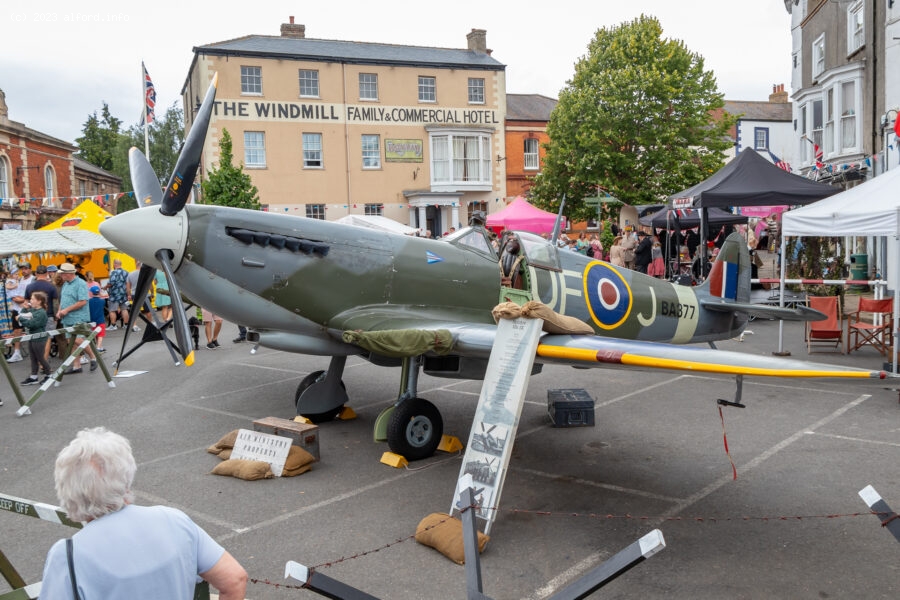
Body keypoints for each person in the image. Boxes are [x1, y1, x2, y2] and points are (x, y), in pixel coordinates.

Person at [40, 427, 248, 599]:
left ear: (67, 490)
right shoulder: (173, 520)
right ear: (126, 475)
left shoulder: (68, 555)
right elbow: (235, 579)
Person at [56, 262, 97, 374]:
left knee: (78, 340)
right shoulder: (66, 284)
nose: (61, 276)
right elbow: (63, 300)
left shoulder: (81, 283)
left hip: (78, 317)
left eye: (62, 273)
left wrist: (66, 310)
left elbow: (83, 301)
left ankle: (93, 357)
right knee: (71, 341)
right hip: (67, 317)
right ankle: (76, 366)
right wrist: (60, 310)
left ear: (69, 273)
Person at [25, 265, 59, 363]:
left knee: (35, 338)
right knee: (48, 338)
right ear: (47, 273)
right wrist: (56, 316)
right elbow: (55, 303)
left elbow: (26, 302)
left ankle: (37, 361)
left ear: (35, 274)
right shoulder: (51, 286)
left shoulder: (29, 286)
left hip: (33, 316)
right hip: (48, 315)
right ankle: (43, 361)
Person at [17, 291, 51, 386]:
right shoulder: (33, 310)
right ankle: (33, 376)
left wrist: (20, 319)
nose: (30, 301)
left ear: (39, 301)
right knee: (33, 358)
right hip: (32, 337)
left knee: (41, 358)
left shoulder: (41, 313)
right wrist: (24, 309)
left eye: (32, 299)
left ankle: (49, 375)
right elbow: (24, 316)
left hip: (39, 338)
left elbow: (32, 324)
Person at [105, 258, 130, 330]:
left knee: (112, 310)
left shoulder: (113, 272)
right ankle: (126, 324)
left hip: (114, 294)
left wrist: (105, 287)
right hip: (123, 293)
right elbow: (128, 283)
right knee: (124, 309)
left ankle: (113, 325)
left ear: (115, 264)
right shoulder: (126, 272)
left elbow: (111, 283)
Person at [88, 284, 107, 353]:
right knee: (100, 335)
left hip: (92, 320)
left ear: (91, 293)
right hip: (101, 320)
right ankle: (98, 347)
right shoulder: (102, 301)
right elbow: (103, 297)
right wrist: (101, 294)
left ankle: (99, 346)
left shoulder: (89, 301)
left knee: (95, 333)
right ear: (99, 292)